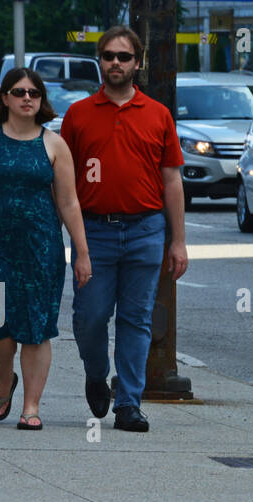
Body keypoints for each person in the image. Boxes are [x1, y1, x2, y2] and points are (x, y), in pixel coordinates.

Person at [59, 26, 188, 433]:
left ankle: (129, 403)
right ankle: (97, 374)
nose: (116, 62)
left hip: (146, 230)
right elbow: (63, 183)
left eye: (124, 57)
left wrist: (179, 241)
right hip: (94, 232)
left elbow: (172, 180)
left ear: (138, 63)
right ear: (100, 61)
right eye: (109, 56)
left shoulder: (158, 114)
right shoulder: (78, 115)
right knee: (90, 316)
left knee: (136, 320)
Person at [0, 68, 92, 430]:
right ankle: (4, 380)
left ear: (41, 100)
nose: (27, 98)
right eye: (19, 91)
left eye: (34, 93)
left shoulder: (54, 144)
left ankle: (31, 406)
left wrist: (82, 251)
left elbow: (69, 202)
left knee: (36, 328)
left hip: (41, 248)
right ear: (5, 98)